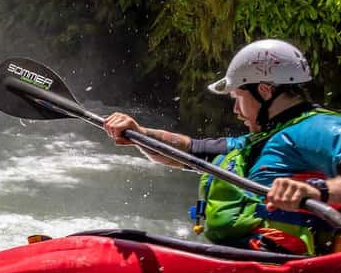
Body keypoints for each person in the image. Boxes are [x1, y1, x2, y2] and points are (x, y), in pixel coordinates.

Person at [103, 38, 341, 255]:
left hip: (285, 269)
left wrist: (317, 191)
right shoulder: (258, 141)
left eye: (238, 97)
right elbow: (188, 150)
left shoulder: (320, 128)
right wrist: (140, 133)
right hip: (242, 262)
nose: (236, 111)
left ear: (265, 91)